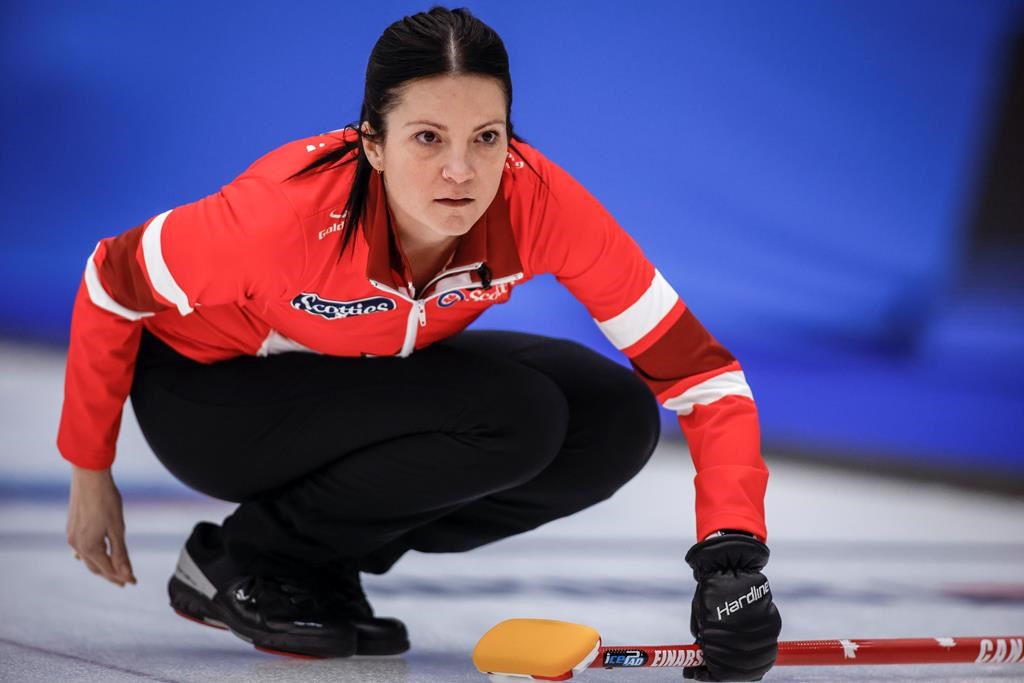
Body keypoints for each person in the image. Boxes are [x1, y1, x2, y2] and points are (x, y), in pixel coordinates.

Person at [59, 5, 781, 679]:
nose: (462, 172)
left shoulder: (538, 202)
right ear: (372, 142)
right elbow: (110, 280)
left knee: (613, 417)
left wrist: (731, 559)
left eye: (486, 138)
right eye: (428, 138)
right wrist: (90, 469)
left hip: (353, 377)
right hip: (211, 395)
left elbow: (702, 376)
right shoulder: (279, 216)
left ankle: (318, 558)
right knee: (516, 412)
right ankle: (247, 558)